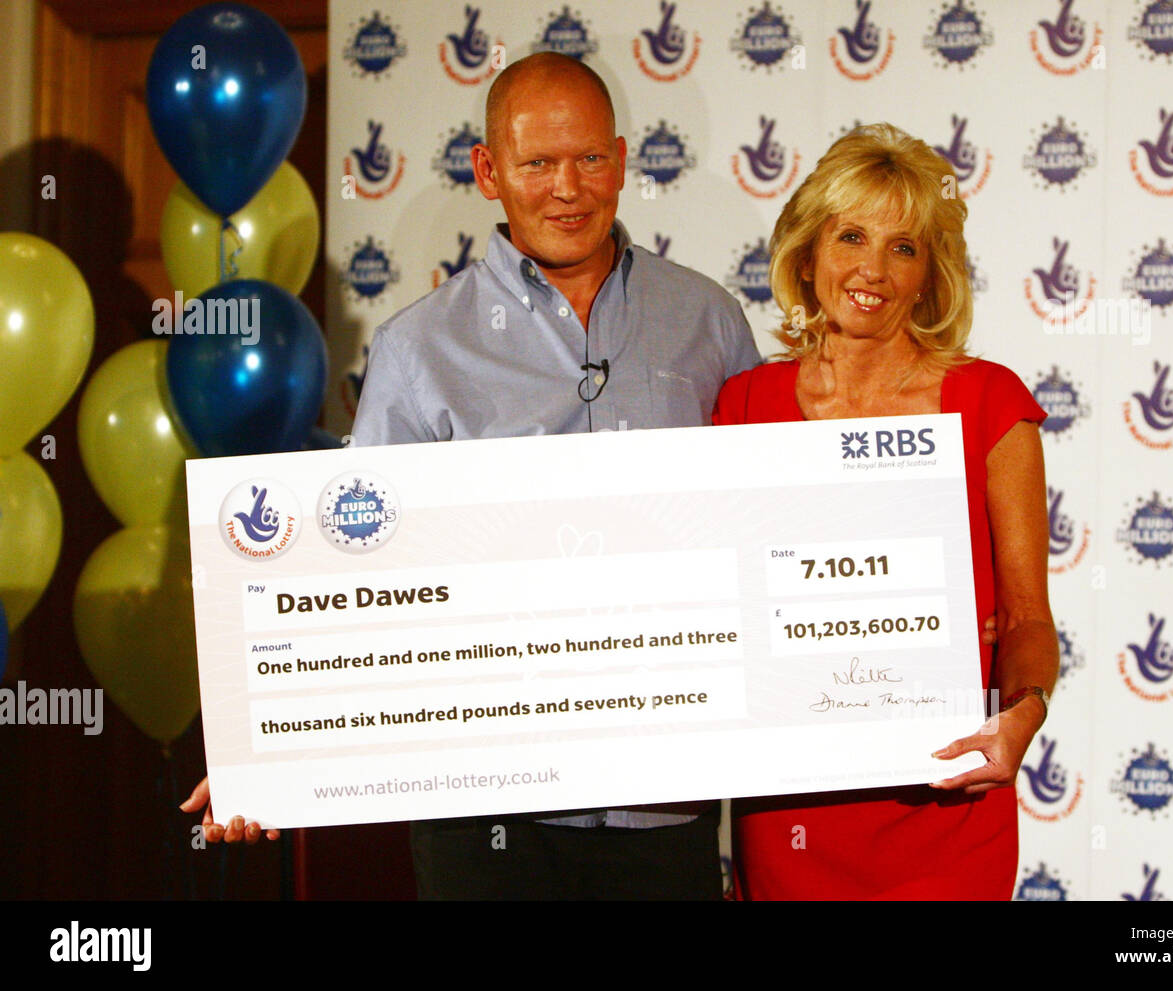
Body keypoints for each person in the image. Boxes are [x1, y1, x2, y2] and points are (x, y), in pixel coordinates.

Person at [183, 52, 761, 899]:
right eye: (538, 164)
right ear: (490, 172)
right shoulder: (422, 347)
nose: (569, 187)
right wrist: (264, 748)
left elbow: (762, 525)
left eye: (590, 158)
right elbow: (356, 570)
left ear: (624, 161)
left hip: (662, 809)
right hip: (484, 817)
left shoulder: (707, 317)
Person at [712, 123, 1058, 900]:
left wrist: (1022, 714)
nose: (872, 268)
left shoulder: (990, 403)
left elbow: (1030, 618)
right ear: (808, 253)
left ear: (931, 271)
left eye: (904, 247)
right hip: (793, 810)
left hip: (946, 809)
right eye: (852, 236)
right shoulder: (743, 404)